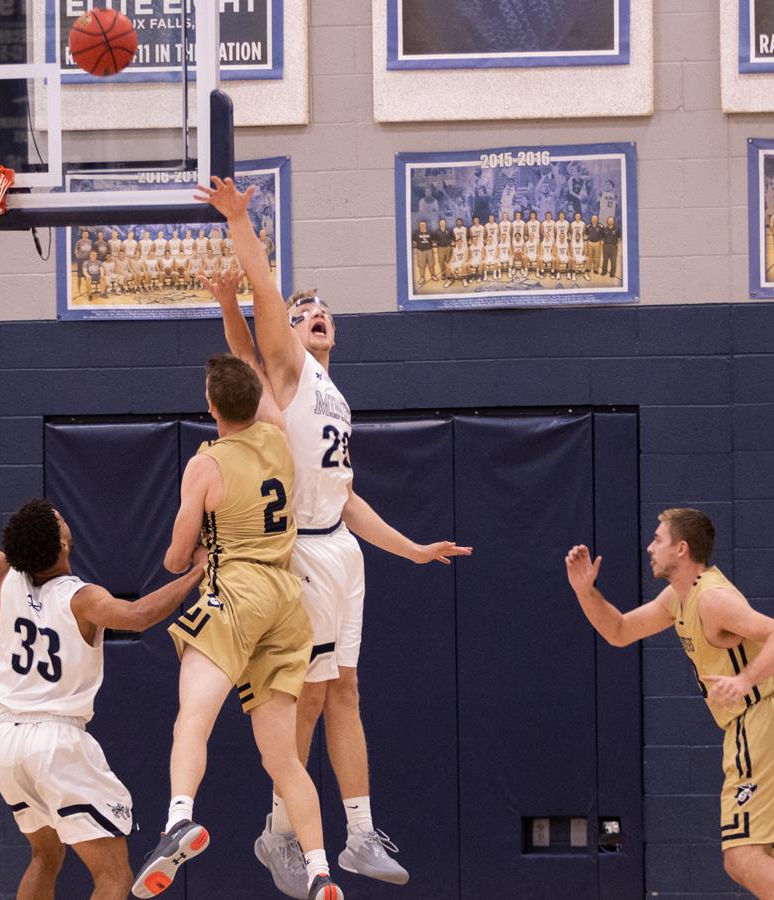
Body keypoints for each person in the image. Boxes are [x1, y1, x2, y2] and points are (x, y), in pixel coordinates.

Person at [199, 177, 471, 897]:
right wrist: (239, 222)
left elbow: (345, 499)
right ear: (288, 331)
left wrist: (411, 549)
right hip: (302, 555)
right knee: (312, 699)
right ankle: (282, 829)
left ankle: (357, 834)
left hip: (341, 549)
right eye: (302, 310)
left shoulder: (326, 393)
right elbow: (261, 304)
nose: (314, 314)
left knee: (343, 692)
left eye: (324, 310)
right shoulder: (288, 375)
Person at [0, 412, 206, 900]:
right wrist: (195, 575)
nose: (61, 516)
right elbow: (137, 616)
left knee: (46, 855)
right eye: (57, 519)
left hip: (7, 743)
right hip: (57, 742)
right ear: (64, 542)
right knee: (113, 874)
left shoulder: (0, 575)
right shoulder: (82, 597)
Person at [128, 353, 342, 900]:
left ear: (210, 406)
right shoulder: (278, 439)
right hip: (289, 603)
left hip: (237, 592)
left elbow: (177, 558)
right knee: (284, 758)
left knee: (192, 720)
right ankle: (319, 871)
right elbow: (262, 387)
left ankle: (179, 819)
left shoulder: (206, 464)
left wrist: (198, 547)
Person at [564, 509, 774, 899]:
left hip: (763, 725)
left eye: (658, 539)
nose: (650, 547)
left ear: (681, 549)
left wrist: (744, 680)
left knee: (741, 857)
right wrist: (585, 592)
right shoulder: (678, 597)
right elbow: (620, 631)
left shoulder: (712, 598)